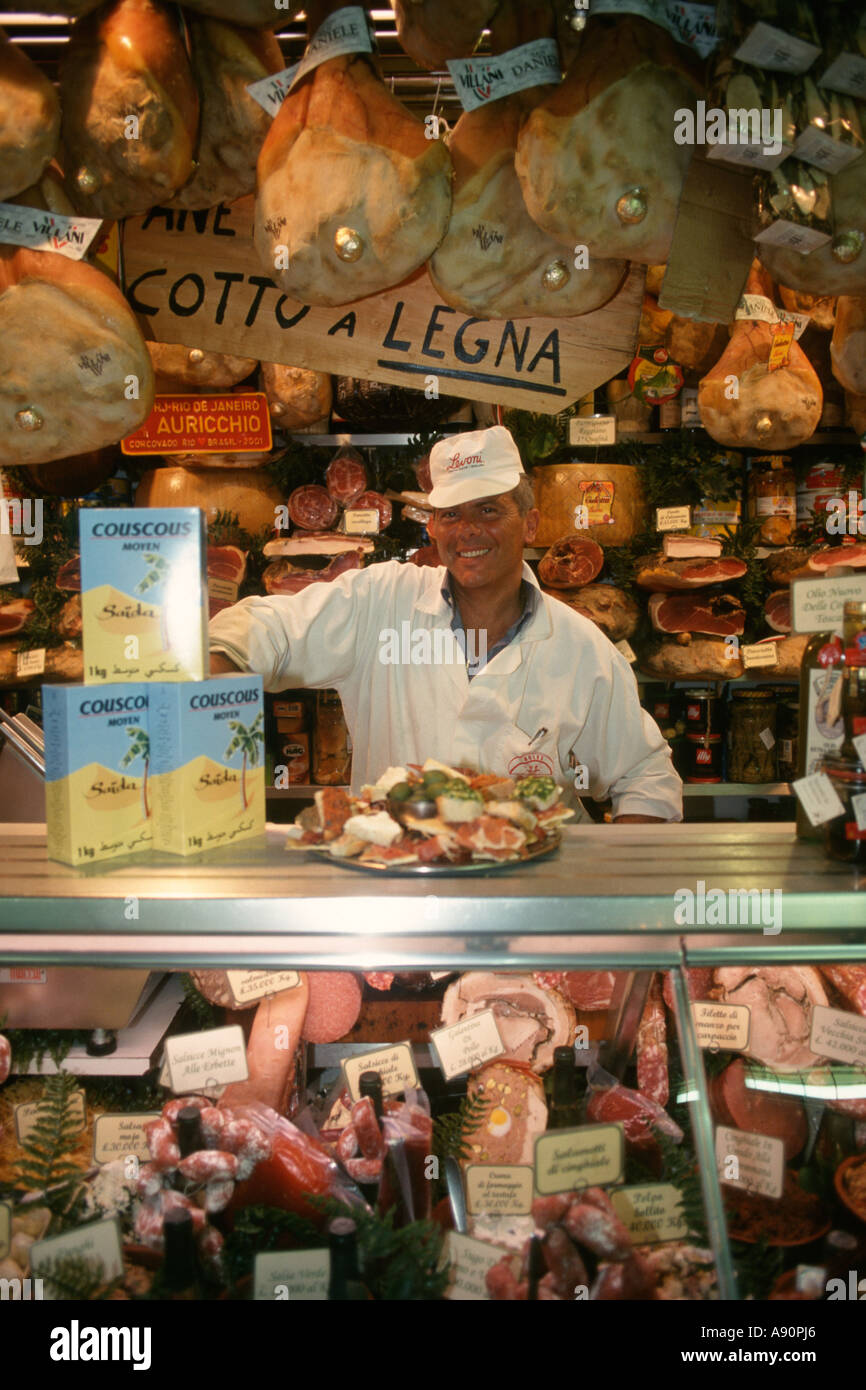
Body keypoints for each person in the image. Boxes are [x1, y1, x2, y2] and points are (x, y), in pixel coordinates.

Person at [209, 425, 682, 822]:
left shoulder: (579, 646)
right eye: (450, 514)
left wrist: (608, 884)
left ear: (531, 524)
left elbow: (646, 775)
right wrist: (206, 683)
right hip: (399, 895)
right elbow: (267, 631)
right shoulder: (380, 600)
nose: (467, 529)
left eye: (489, 509)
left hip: (530, 905)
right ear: (432, 528)